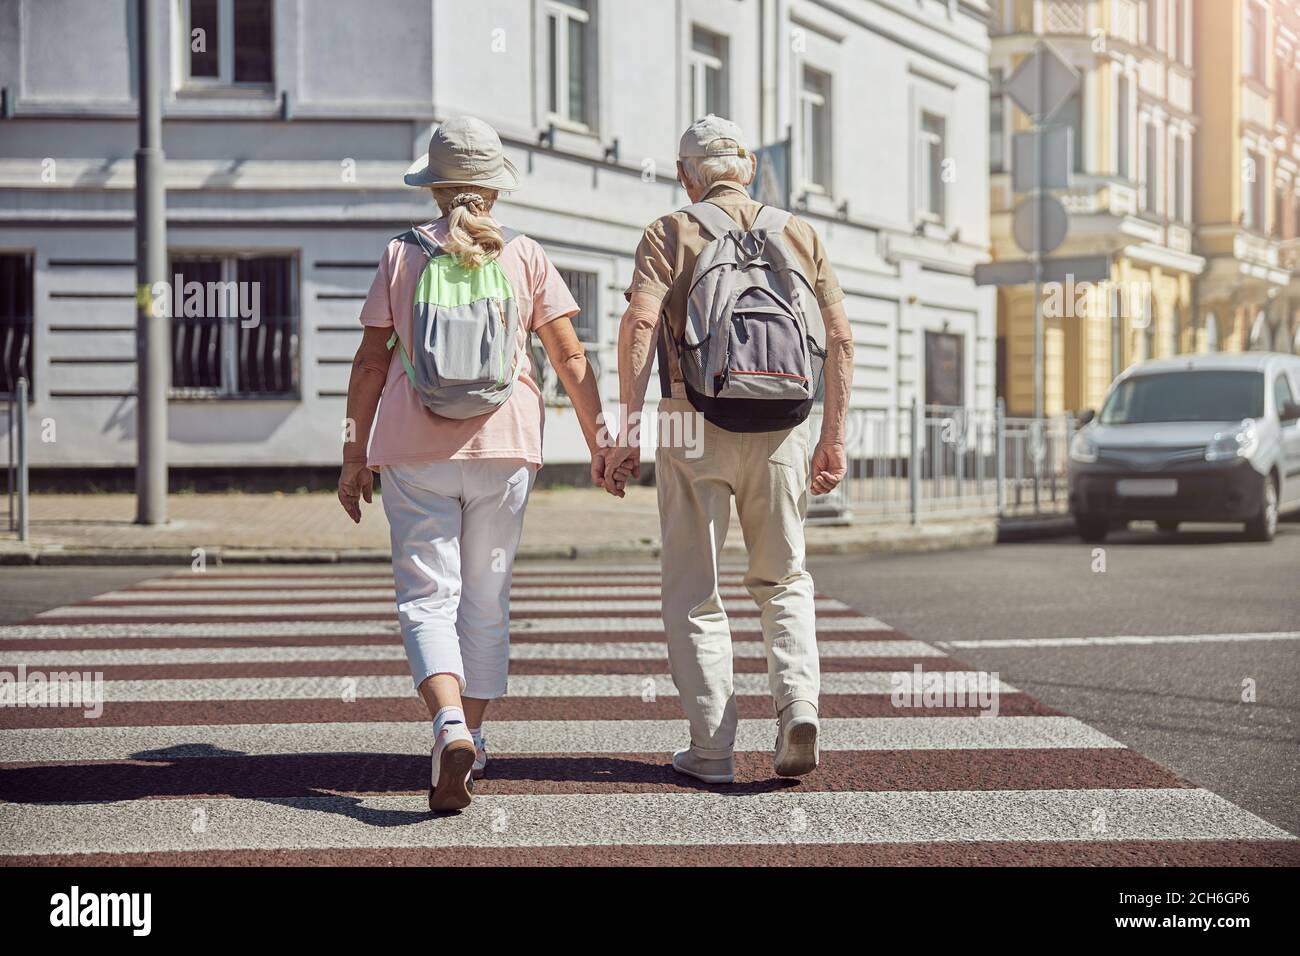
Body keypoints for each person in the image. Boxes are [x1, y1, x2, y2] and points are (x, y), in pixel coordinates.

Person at [338, 116, 615, 811]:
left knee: (427, 597)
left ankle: (448, 723)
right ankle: (475, 740)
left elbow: (371, 363)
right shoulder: (522, 254)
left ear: (435, 188)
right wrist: (601, 439)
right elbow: (568, 356)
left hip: (411, 449)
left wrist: (352, 455)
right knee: (485, 600)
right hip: (506, 447)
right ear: (492, 189)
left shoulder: (401, 254)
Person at [603, 115, 853, 784]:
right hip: (784, 423)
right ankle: (798, 703)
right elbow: (841, 338)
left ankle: (712, 749)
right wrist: (832, 438)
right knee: (784, 577)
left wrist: (624, 432)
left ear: (688, 176)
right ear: (746, 169)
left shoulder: (669, 230)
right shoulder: (800, 232)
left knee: (693, 590)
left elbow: (640, 322)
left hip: (689, 418)